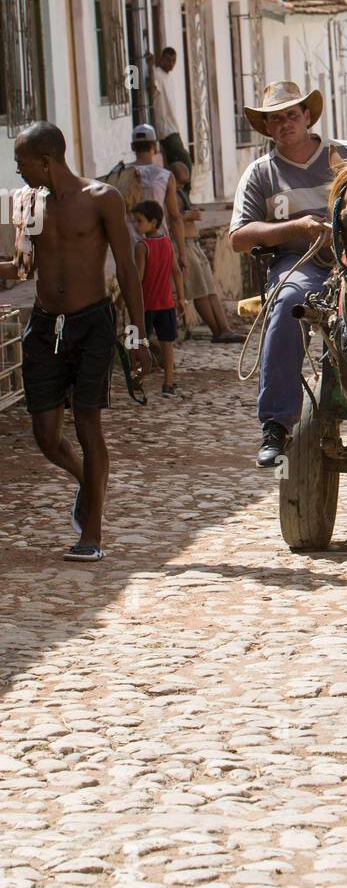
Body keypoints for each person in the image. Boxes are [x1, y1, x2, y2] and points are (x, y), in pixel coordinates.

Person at [0, 122, 150, 561]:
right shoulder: (28, 203)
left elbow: (126, 267)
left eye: (21, 163)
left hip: (92, 324)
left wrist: (135, 335)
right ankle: (91, 482)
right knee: (46, 436)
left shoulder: (102, 199)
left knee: (87, 424)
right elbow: (23, 268)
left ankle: (92, 533)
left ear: (46, 161)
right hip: (45, 327)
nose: (18, 171)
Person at [229, 80, 347, 467]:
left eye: (291, 114)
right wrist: (297, 228)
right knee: (288, 302)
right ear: (267, 127)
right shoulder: (260, 174)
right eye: (276, 119)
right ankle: (276, 424)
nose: (285, 123)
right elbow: (239, 237)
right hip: (299, 265)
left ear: (307, 116)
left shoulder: (346, 154)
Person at [170, 161, 243, 343]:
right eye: (179, 182)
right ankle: (216, 330)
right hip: (183, 244)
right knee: (199, 291)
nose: (181, 186)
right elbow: (172, 218)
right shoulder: (167, 193)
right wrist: (188, 217)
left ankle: (225, 328)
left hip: (193, 242)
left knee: (210, 290)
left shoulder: (179, 192)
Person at [102, 125, 187, 271]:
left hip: (128, 248)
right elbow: (175, 217)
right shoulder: (165, 176)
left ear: (132, 147)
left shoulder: (118, 174)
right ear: (154, 146)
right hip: (158, 245)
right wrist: (182, 253)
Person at [131, 201, 185, 396]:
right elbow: (176, 272)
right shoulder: (167, 243)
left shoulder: (142, 246)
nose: (136, 225)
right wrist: (181, 298)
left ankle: (137, 380)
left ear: (153, 222)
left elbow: (138, 278)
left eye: (139, 221)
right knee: (167, 343)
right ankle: (168, 383)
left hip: (145, 304)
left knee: (135, 341)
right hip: (166, 303)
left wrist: (124, 298)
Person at [146, 47, 193, 174]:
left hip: (173, 127)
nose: (171, 63)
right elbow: (151, 88)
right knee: (186, 162)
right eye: (168, 60)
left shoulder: (168, 76)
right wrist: (150, 66)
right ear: (162, 59)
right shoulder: (157, 74)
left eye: (173, 61)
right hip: (166, 130)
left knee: (175, 165)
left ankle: (180, 192)